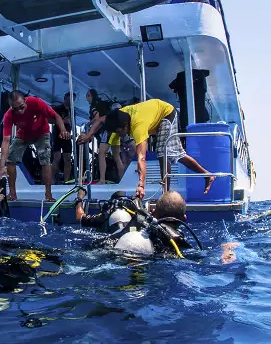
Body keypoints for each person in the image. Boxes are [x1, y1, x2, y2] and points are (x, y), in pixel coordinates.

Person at [82, 99, 215, 198]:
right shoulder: (119, 115)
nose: (119, 135)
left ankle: (166, 195)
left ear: (125, 126)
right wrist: (88, 135)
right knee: (177, 154)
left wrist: (141, 185)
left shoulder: (138, 126)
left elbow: (141, 158)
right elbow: (100, 120)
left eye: (119, 131)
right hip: (154, 116)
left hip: (166, 114)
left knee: (163, 153)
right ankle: (207, 175)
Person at [75, 189, 195, 257]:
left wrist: (80, 198)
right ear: (184, 219)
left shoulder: (141, 224)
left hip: (119, 253)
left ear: (153, 213)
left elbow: (80, 217)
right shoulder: (179, 240)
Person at [0, 91, 70, 202]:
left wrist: (63, 130)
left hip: (41, 133)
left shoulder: (36, 102)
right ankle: (12, 194)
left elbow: (56, 116)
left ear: (25, 101)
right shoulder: (9, 115)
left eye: (21, 107)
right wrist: (2, 166)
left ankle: (48, 194)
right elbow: (6, 141)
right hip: (23, 135)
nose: (19, 111)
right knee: (10, 160)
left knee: (45, 160)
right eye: (15, 109)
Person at [51, 92, 74, 183]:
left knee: (68, 159)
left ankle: (66, 181)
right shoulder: (57, 108)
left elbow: (72, 122)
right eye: (70, 98)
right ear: (65, 97)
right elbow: (50, 120)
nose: (71, 100)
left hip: (68, 136)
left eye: (73, 99)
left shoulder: (72, 110)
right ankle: (51, 180)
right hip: (58, 135)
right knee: (57, 158)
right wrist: (64, 121)